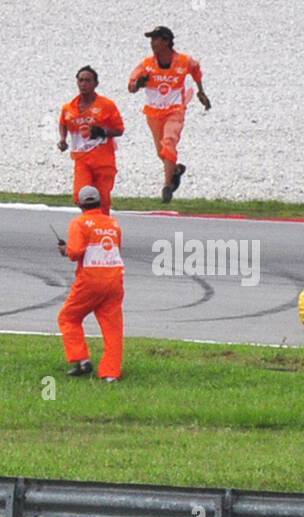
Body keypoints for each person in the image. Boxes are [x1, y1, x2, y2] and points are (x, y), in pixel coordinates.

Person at [127, 25, 210, 203]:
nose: (152, 43)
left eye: (156, 39)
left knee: (169, 142)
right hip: (153, 112)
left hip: (175, 110)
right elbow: (131, 85)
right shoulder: (146, 64)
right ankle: (176, 171)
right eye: (151, 40)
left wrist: (201, 92)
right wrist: (139, 83)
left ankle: (167, 186)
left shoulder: (184, 61)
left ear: (166, 41)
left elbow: (196, 71)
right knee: (162, 153)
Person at [57, 186, 126, 382]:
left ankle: (81, 359)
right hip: (114, 279)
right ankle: (111, 373)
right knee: (113, 327)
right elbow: (116, 248)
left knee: (68, 318)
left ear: (79, 204)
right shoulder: (113, 224)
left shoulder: (79, 223)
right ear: (100, 202)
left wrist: (66, 250)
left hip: (90, 280)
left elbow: (76, 252)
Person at [58, 66, 125, 213]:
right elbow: (63, 122)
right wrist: (63, 139)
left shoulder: (107, 105)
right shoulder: (68, 107)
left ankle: (104, 228)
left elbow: (119, 129)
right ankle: (89, 225)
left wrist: (102, 132)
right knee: (81, 196)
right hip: (81, 159)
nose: (83, 84)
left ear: (95, 84)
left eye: (88, 80)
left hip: (103, 160)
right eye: (81, 80)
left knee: (103, 199)